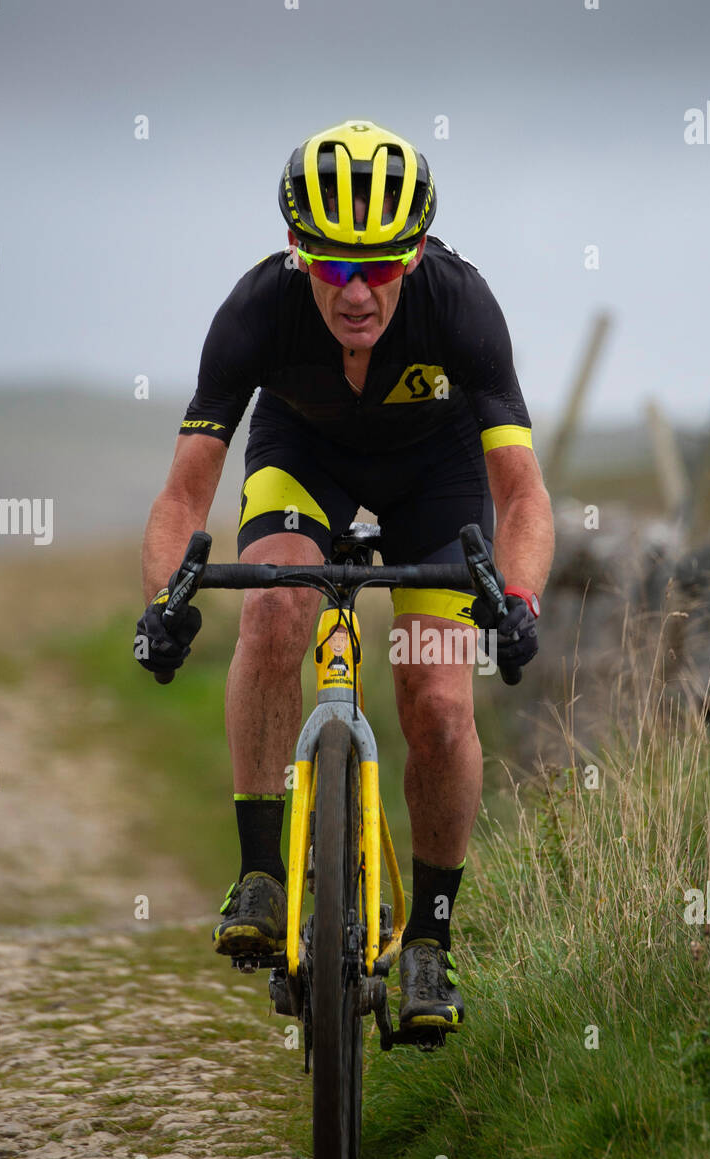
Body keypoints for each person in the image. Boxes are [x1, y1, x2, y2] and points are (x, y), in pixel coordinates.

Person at [135, 119, 553, 1032]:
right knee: (277, 608)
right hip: (304, 458)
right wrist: (162, 602)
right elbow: (182, 499)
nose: (357, 292)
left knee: (439, 704)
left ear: (414, 256)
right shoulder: (255, 311)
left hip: (435, 481)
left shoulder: (462, 305)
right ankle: (260, 872)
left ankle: (431, 944)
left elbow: (521, 495)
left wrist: (518, 599)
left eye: (381, 267)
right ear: (300, 255)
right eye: (332, 267)